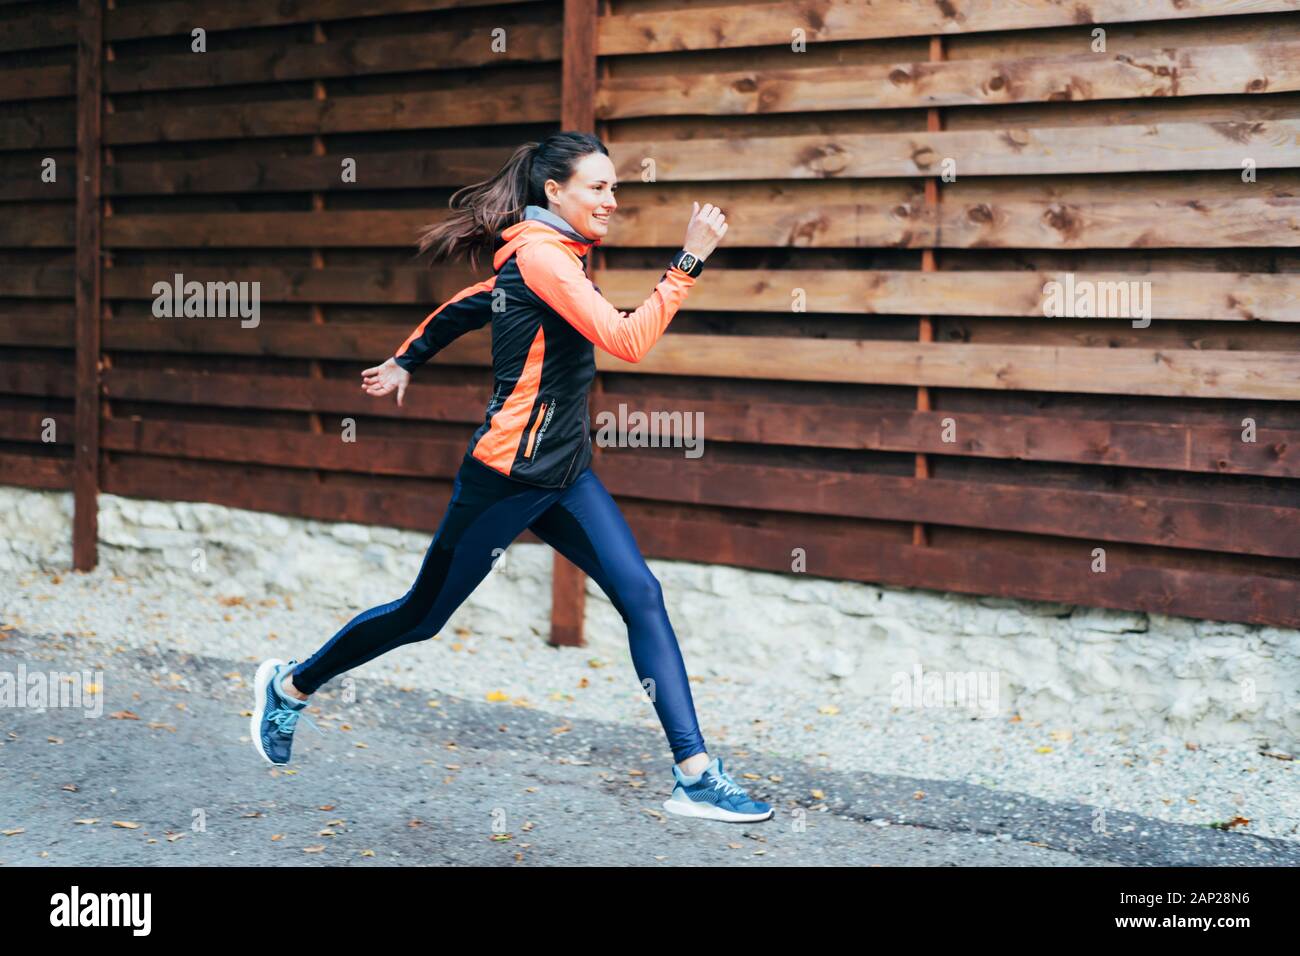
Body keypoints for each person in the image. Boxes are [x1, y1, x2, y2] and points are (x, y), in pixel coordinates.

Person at [251, 131, 772, 823]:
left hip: (563, 475)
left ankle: (695, 774)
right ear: (554, 192)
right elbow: (628, 339)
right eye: (598, 187)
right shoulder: (544, 258)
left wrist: (409, 357)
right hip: (505, 476)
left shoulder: (545, 256)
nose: (611, 200)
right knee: (421, 617)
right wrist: (689, 261)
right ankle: (291, 687)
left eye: (615, 187)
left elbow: (472, 301)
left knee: (642, 594)